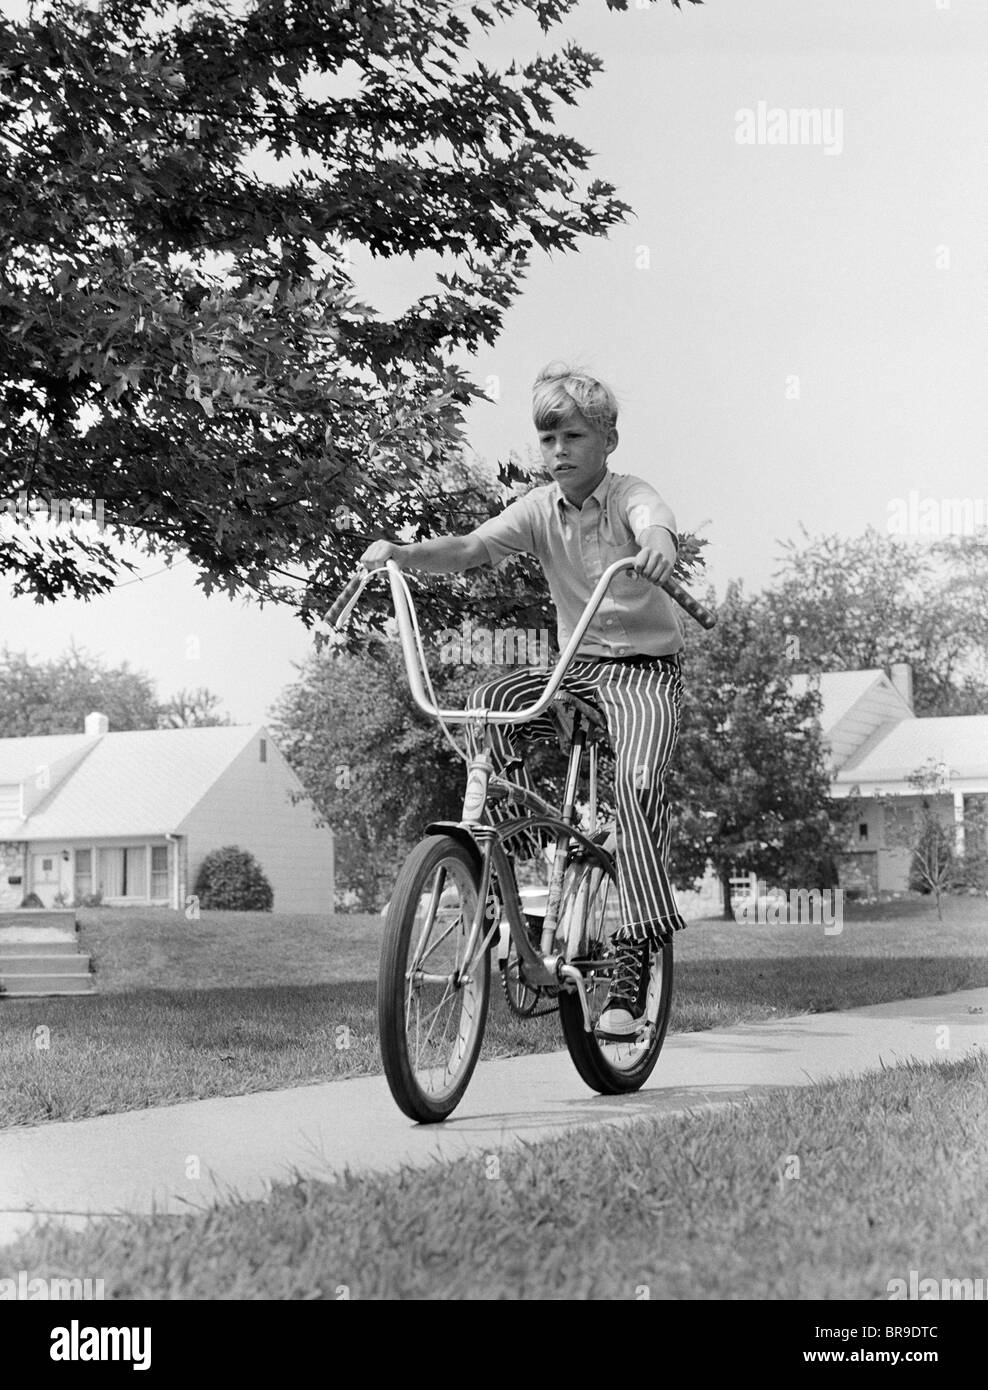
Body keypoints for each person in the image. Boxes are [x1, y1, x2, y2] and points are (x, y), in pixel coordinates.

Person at [360, 363, 686, 1038]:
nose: (557, 451)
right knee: (489, 705)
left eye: (571, 435)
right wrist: (402, 553)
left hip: (645, 674)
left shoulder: (630, 494)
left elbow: (655, 521)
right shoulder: (540, 509)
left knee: (639, 780)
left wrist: (657, 547)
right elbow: (475, 546)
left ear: (609, 440)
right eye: (546, 438)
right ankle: (531, 866)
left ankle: (633, 954)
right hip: (575, 668)